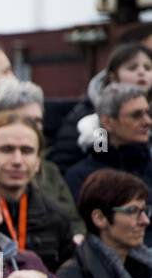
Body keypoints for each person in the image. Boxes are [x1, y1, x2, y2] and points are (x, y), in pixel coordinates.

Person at [0, 77, 83, 237]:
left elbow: (72, 222)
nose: (35, 128)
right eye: (25, 120)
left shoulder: (50, 171)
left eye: (38, 121)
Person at [0, 112, 76, 273]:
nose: (17, 160)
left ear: (38, 161)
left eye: (26, 151)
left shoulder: (56, 219)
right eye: (7, 149)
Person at [51, 42, 152, 175]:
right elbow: (99, 162)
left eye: (148, 67)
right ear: (113, 76)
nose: (141, 72)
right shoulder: (91, 117)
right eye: (132, 68)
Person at [64, 83, 152, 213]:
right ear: (108, 122)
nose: (148, 121)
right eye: (136, 115)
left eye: (148, 113)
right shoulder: (81, 176)